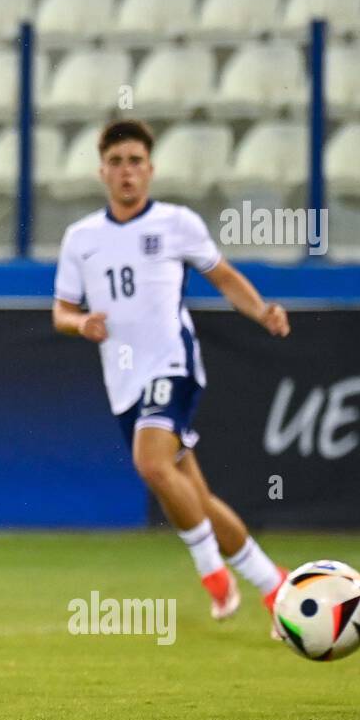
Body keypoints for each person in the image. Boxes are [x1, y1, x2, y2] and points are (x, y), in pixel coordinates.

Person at [52, 120, 291, 632]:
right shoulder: (81, 238)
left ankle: (212, 574)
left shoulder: (177, 223)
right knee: (193, 495)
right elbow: (61, 311)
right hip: (123, 381)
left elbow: (223, 276)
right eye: (116, 163)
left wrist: (261, 311)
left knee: (151, 463)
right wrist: (80, 323)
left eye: (135, 161)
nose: (126, 172)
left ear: (150, 169)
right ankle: (275, 585)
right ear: (102, 172)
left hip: (172, 363)